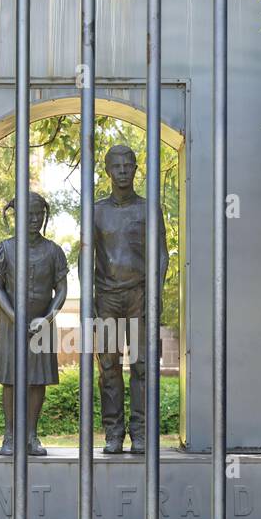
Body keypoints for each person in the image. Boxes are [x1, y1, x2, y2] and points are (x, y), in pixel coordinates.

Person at [93, 144, 168, 454]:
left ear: (136, 170)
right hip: (107, 296)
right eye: (117, 166)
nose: (123, 171)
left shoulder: (148, 209)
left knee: (142, 367)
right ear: (108, 171)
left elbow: (161, 255)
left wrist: (156, 295)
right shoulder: (96, 209)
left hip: (139, 294)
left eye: (129, 166)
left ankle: (140, 433)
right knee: (108, 367)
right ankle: (113, 433)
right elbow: (88, 255)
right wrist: (90, 301)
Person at [0, 191, 69, 456]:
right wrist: (13, 316)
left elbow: (62, 289)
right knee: (10, 380)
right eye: (29, 214)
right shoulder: (5, 248)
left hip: (41, 324)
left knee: (37, 381)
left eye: (39, 214)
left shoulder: (54, 251)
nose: (34, 219)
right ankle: (9, 436)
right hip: (11, 323)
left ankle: (32, 435)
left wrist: (47, 318)